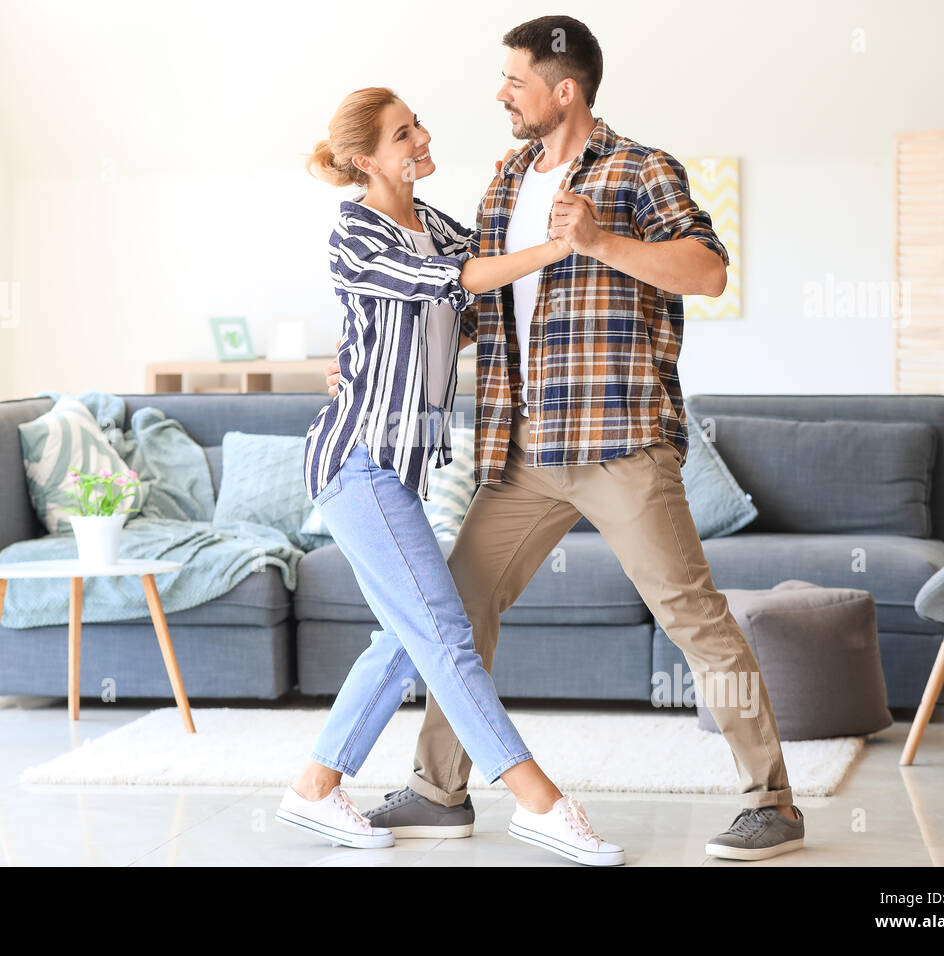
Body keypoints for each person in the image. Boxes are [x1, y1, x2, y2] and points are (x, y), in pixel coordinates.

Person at [325, 17, 806, 862]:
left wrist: (600, 241)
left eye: (513, 82)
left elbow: (709, 271)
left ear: (563, 90)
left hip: (622, 445)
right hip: (521, 454)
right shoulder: (507, 179)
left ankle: (772, 802)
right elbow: (471, 306)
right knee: (457, 615)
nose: (500, 96)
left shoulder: (639, 168)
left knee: (693, 617)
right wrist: (362, 362)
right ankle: (440, 790)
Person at [275, 86, 626, 866]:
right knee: (446, 636)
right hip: (356, 461)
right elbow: (457, 281)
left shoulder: (429, 222)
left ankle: (313, 786)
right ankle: (541, 803)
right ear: (366, 159)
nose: (422, 138)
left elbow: (477, 297)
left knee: (408, 634)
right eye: (404, 134)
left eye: (418, 123)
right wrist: (554, 250)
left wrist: (566, 221)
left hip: (395, 468)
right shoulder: (356, 231)